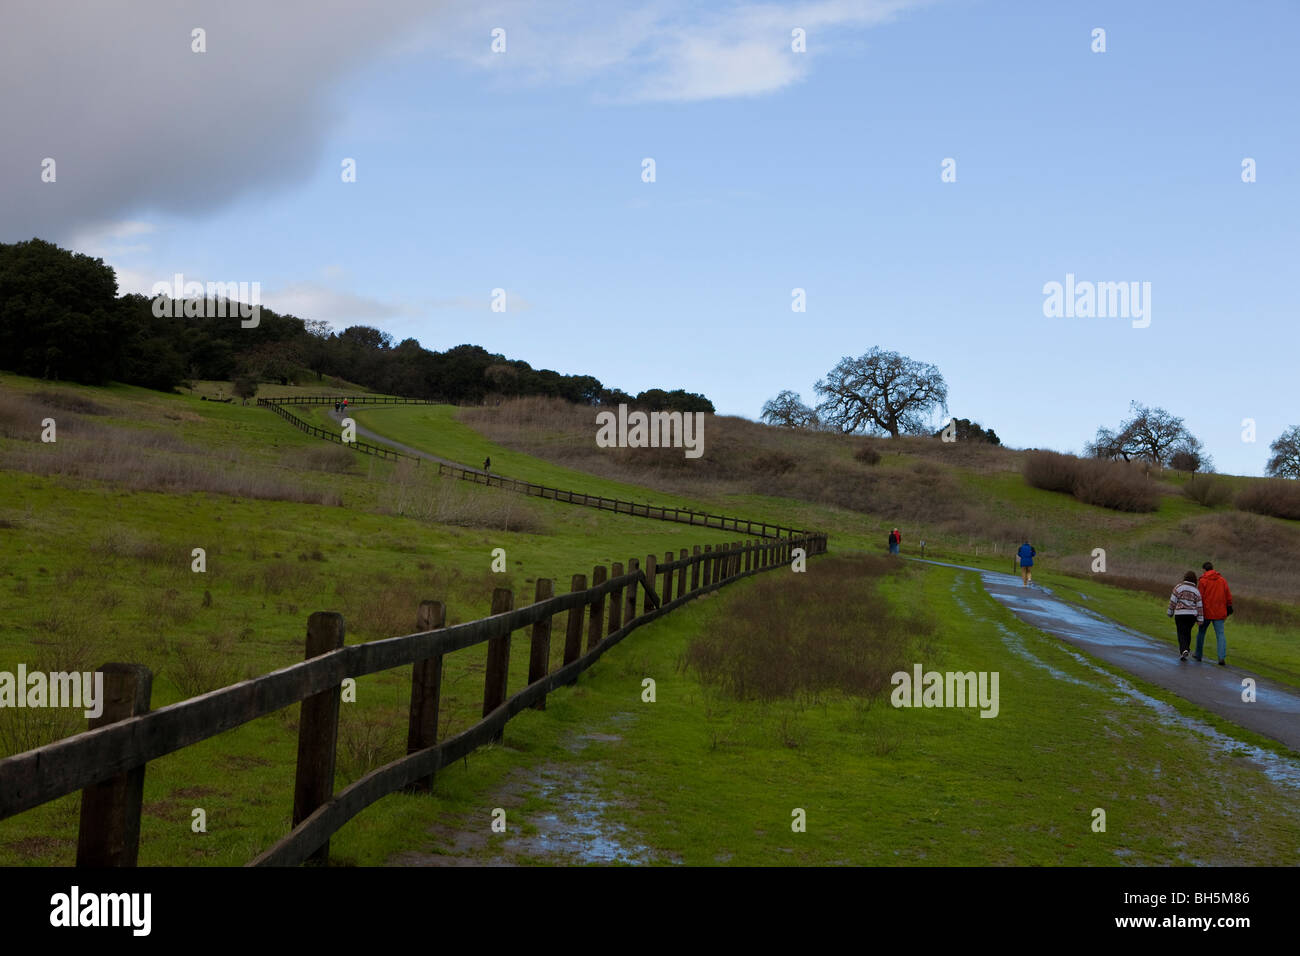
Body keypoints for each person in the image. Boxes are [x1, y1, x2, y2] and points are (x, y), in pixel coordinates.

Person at [1194, 562, 1233, 665]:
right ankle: (1221, 657)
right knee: (1220, 635)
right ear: (1213, 569)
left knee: (1201, 633)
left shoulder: (1203, 581)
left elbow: (1200, 597)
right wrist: (1229, 606)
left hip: (1206, 612)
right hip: (1219, 612)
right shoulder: (1222, 580)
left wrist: (1198, 611)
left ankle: (1198, 654)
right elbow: (1228, 595)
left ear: (1204, 569)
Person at [1166, 571, 1204, 661]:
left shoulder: (1179, 587)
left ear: (1185, 578)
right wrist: (1200, 618)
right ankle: (1186, 649)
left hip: (1180, 614)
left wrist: (1170, 612)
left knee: (1181, 632)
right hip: (1191, 615)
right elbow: (1199, 606)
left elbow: (1173, 601)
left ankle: (1184, 650)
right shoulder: (1196, 591)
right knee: (1187, 632)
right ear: (1194, 580)